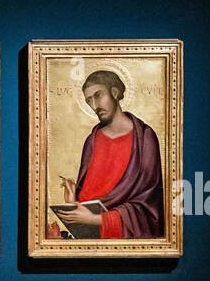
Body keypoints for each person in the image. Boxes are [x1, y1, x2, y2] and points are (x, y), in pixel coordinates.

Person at [52, 69, 164, 239]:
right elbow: (89, 202)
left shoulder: (144, 138)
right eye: (89, 100)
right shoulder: (92, 141)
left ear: (114, 92)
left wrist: (98, 219)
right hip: (91, 238)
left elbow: (148, 206)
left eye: (98, 95)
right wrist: (73, 201)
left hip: (125, 236)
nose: (95, 106)